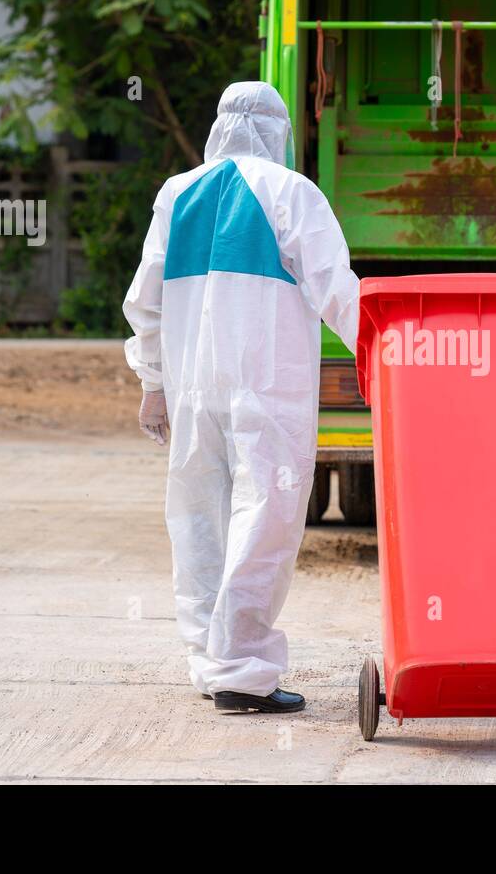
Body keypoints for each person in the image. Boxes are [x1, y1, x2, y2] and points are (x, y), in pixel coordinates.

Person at [123, 81, 360, 713]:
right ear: (279, 131)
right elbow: (336, 288)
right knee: (265, 519)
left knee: (199, 520)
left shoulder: (178, 192)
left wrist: (153, 383)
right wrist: (389, 349)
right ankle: (241, 670)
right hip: (266, 383)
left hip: (194, 388)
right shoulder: (291, 192)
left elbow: (145, 300)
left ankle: (210, 659)